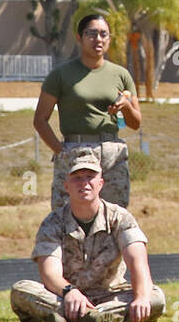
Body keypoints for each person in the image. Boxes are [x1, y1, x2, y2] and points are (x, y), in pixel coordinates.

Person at [9, 150, 164, 322]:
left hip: (110, 295)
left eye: (90, 176)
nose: (84, 183)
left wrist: (141, 298)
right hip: (65, 296)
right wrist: (70, 292)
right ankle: (99, 318)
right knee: (21, 290)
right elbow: (49, 273)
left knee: (155, 296)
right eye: (77, 178)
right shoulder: (52, 223)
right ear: (66, 185)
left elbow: (138, 262)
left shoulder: (120, 218)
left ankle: (74, 319)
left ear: (100, 183)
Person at [33, 14, 141, 213]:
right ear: (79, 38)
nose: (98, 39)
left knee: (115, 216)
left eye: (103, 34)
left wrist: (125, 105)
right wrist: (61, 151)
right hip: (75, 152)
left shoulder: (121, 75)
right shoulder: (61, 75)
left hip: (112, 154)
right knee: (68, 217)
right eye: (91, 34)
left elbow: (136, 123)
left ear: (109, 39)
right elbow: (40, 120)